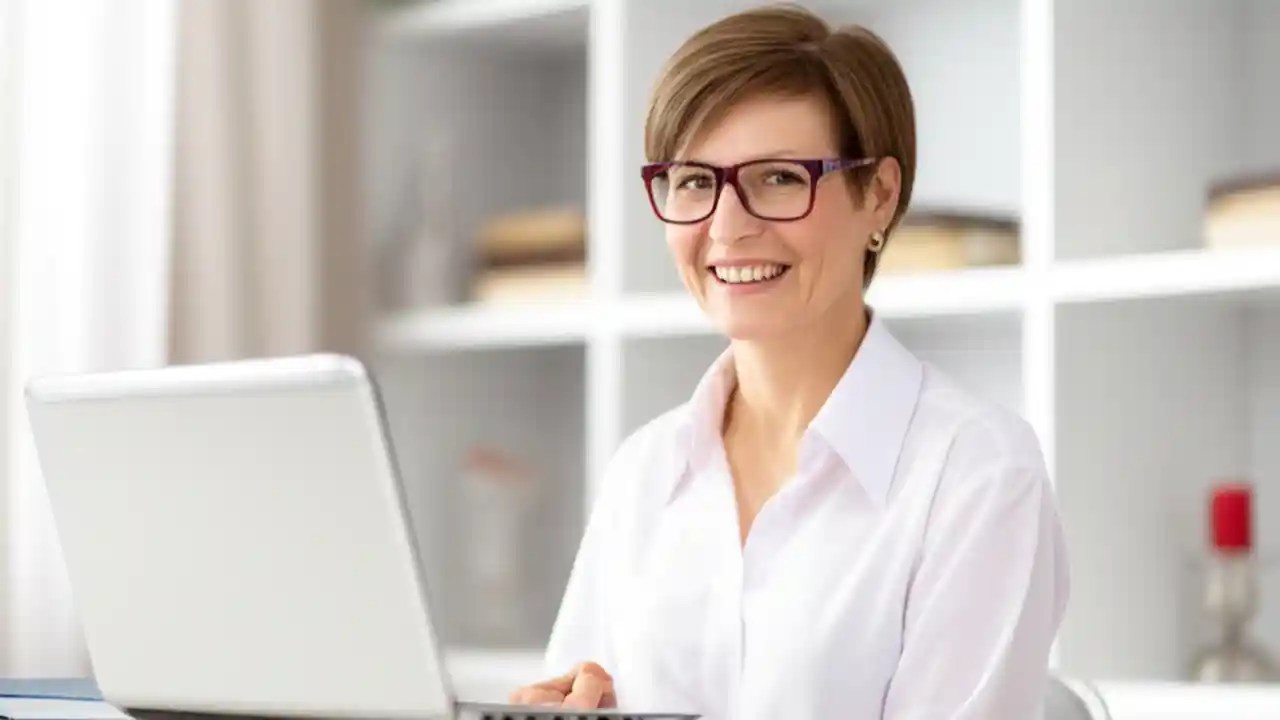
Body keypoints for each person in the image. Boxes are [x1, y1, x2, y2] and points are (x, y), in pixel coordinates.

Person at [511, 5, 1069, 719]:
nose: (726, 227)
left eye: (778, 178)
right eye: (693, 181)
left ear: (879, 195)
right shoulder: (644, 473)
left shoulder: (976, 478)